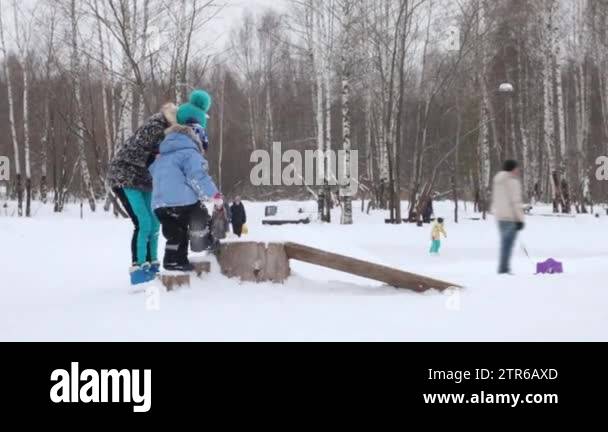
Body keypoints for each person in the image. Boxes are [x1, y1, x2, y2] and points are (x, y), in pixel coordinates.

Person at [149, 90, 222, 272]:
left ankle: (174, 260)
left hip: (159, 204)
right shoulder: (189, 153)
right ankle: (202, 240)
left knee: (176, 234)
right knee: (200, 210)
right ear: (196, 136)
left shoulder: (164, 154)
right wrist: (214, 196)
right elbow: (198, 177)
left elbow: (153, 172)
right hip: (181, 202)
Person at [107, 102, 177, 285]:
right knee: (143, 222)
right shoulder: (155, 126)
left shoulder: (168, 132)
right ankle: (139, 268)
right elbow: (137, 151)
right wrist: (155, 156)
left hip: (144, 180)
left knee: (154, 223)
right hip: (126, 176)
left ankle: (152, 264)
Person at [491, 160, 525, 275]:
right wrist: (520, 219)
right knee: (507, 245)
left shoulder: (498, 180)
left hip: (500, 216)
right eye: (517, 168)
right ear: (512, 169)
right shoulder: (512, 182)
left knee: (505, 243)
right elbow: (515, 202)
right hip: (510, 217)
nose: (518, 170)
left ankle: (503, 268)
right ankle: (504, 269)